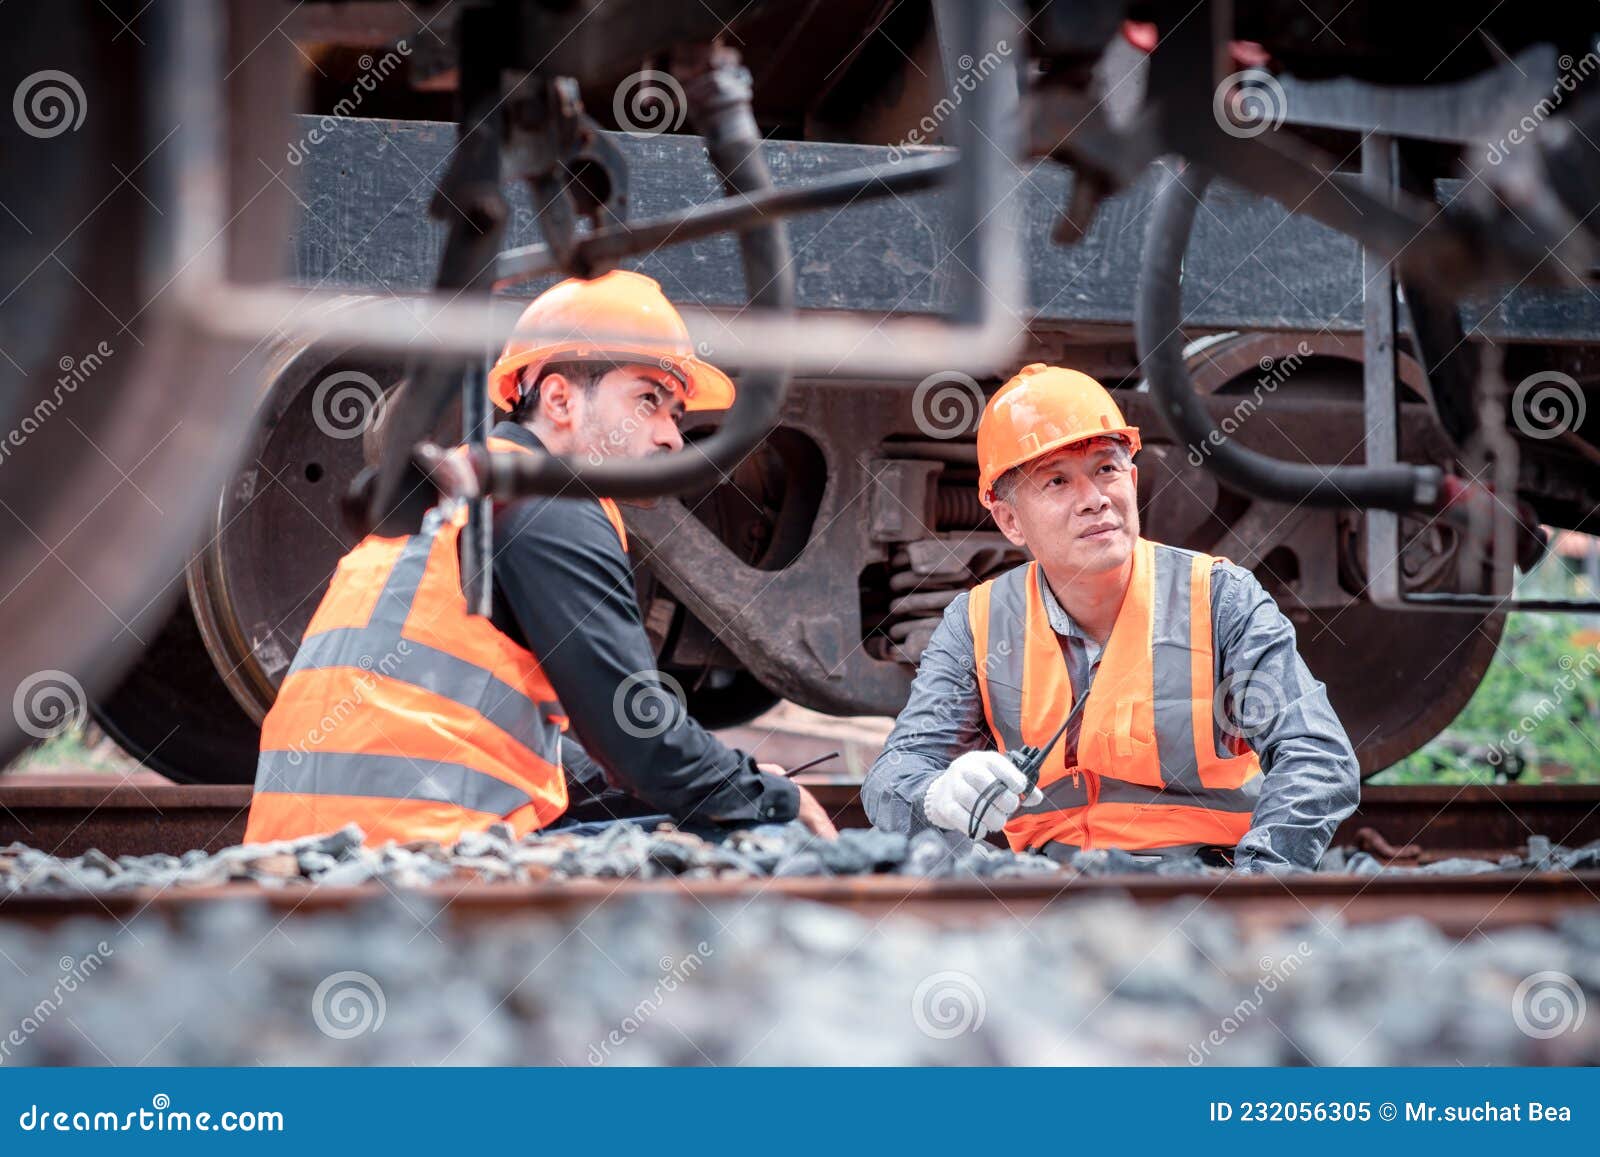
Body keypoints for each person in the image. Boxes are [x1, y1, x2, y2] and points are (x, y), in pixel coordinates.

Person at [245, 270, 837, 846]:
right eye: (648, 401)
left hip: (303, 858)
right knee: (770, 837)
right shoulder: (552, 503)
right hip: (420, 858)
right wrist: (771, 798)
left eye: (675, 415)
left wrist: (722, 780)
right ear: (559, 399)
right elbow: (642, 740)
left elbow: (566, 756)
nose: (671, 438)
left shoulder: (465, 497)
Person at [861, 363, 1360, 871]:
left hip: (1204, 883)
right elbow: (893, 776)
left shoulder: (1219, 598)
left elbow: (1317, 758)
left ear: (1133, 479)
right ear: (1010, 520)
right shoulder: (977, 623)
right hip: (1050, 892)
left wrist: (1258, 883)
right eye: (1057, 481)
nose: (1094, 500)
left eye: (1106, 469)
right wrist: (935, 795)